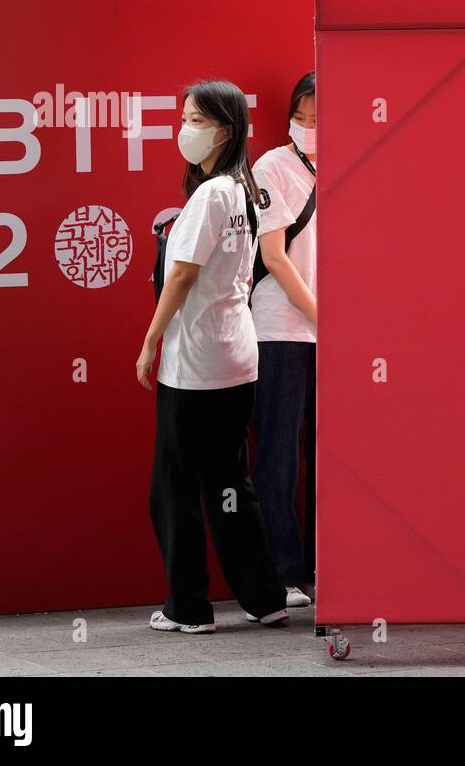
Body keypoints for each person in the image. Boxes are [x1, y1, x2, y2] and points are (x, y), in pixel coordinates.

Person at [136, 78, 288, 634]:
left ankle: (188, 608)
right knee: (228, 483)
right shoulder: (244, 188)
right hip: (236, 358)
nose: (185, 130)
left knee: (174, 489)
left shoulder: (212, 194)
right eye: (184, 118)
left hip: (196, 363)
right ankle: (263, 596)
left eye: (196, 121)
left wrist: (151, 340)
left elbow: (180, 275)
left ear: (224, 129)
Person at [250, 72, 319, 608]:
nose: (314, 121)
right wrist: (324, 317)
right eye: (308, 110)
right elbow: (273, 256)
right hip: (280, 329)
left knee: (329, 456)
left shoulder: (355, 162)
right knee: (277, 452)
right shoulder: (272, 165)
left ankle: (326, 567)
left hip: (335, 338)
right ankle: (282, 571)